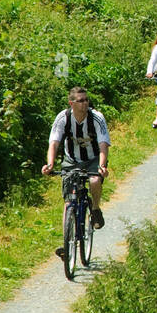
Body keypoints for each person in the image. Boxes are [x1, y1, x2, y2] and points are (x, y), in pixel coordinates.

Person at [41, 86, 109, 255]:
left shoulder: (96, 118)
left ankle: (95, 208)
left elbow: (103, 144)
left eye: (86, 100)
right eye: (80, 101)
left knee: (94, 181)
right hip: (71, 160)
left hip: (93, 159)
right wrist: (50, 164)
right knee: (69, 201)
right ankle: (67, 242)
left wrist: (101, 166)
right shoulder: (63, 118)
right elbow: (54, 143)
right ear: (71, 103)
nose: (85, 103)